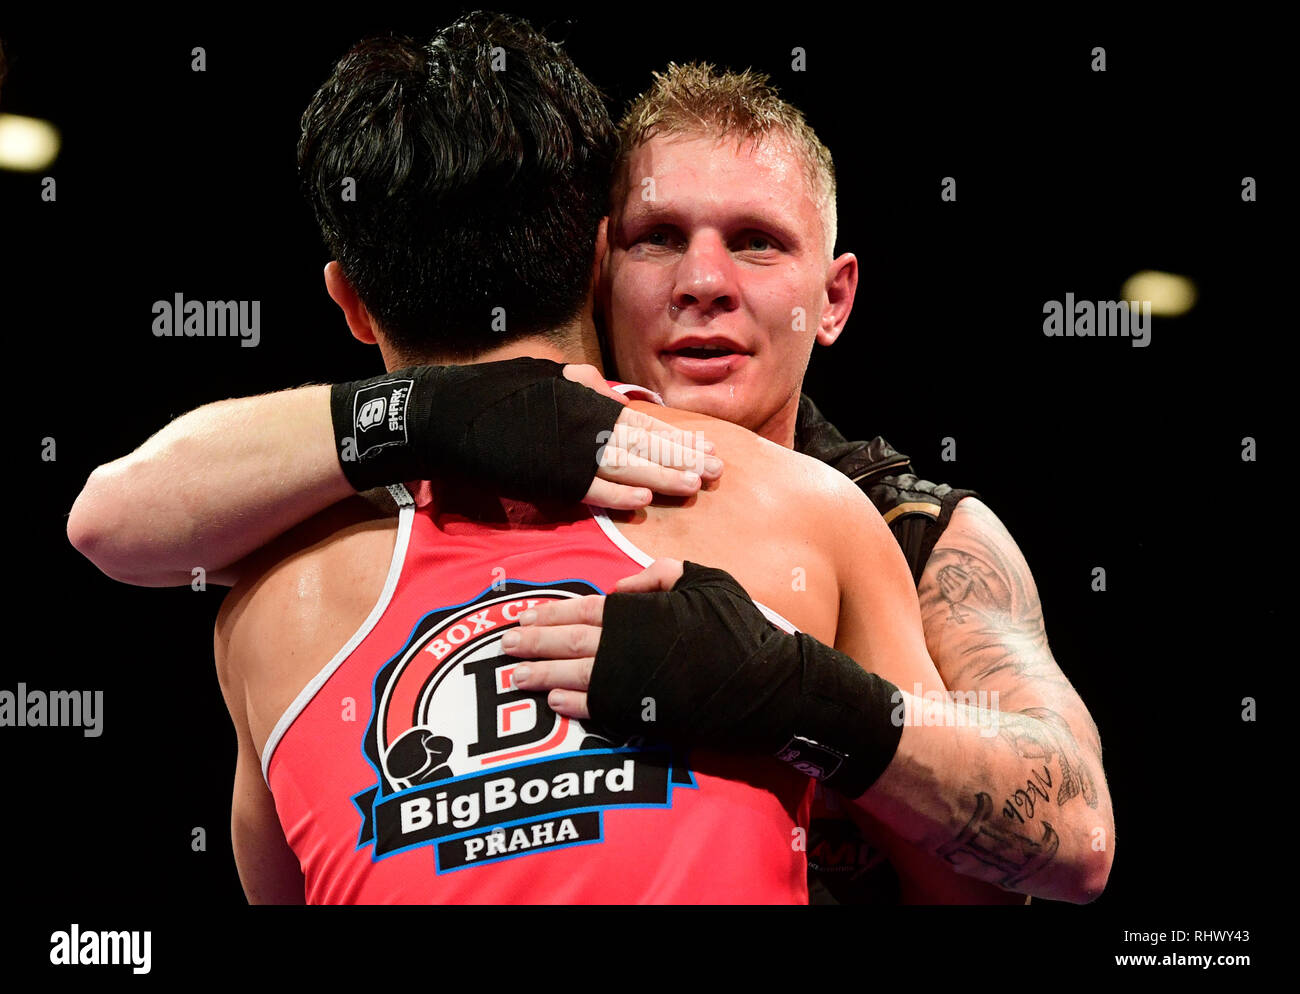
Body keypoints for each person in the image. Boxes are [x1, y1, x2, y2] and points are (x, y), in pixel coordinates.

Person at [67, 21, 1112, 904]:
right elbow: (114, 515)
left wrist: (802, 697)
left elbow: (1067, 836)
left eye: (754, 241)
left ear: (832, 296)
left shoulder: (905, 529)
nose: (703, 280)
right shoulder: (384, 500)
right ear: (600, 258)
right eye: (662, 238)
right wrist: (435, 409)